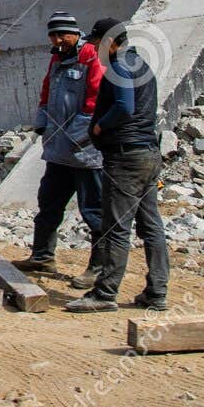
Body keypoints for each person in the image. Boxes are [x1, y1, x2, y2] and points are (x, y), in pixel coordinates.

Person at [66, 18, 169, 313]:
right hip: (148, 154)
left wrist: (99, 128)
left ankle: (105, 293)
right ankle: (157, 293)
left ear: (111, 42)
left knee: (116, 228)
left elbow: (125, 106)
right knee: (151, 226)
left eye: (98, 43)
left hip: (126, 158)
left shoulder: (120, 67)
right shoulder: (142, 65)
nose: (95, 49)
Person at [15, 12, 105, 285]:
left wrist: (75, 136)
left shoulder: (92, 56)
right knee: (49, 204)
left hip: (85, 152)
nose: (57, 40)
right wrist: (42, 121)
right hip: (58, 151)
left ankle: (99, 268)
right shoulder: (57, 57)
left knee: (94, 211)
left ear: (74, 33)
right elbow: (46, 92)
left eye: (61, 35)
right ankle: (42, 256)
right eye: (53, 35)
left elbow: (94, 102)